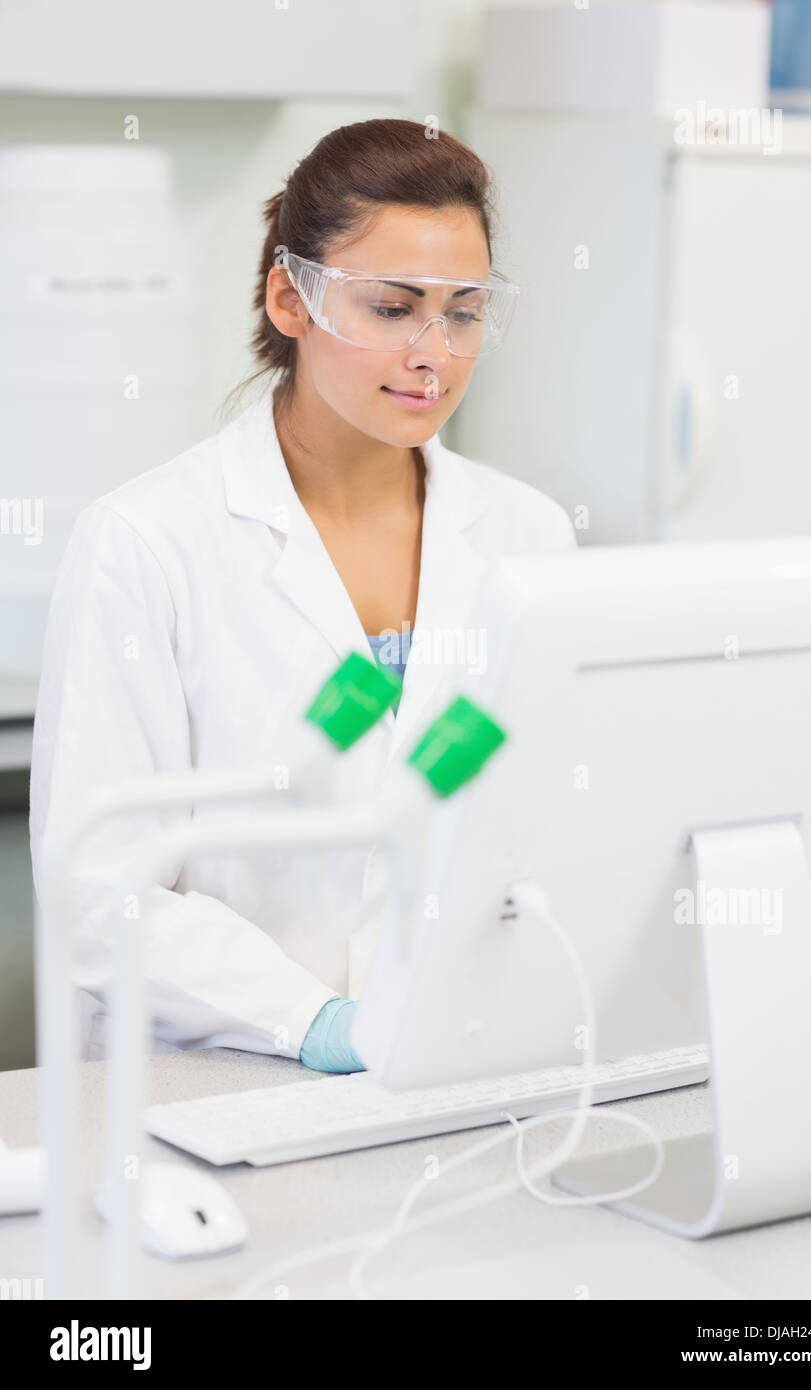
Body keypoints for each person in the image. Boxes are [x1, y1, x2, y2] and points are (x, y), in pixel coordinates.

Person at [29, 118, 577, 1071]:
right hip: (202, 1085)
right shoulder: (149, 544)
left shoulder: (527, 539)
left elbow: (542, 831)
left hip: (447, 1065)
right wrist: (318, 1021)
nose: (434, 353)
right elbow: (96, 886)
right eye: (393, 308)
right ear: (292, 299)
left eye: (463, 311)